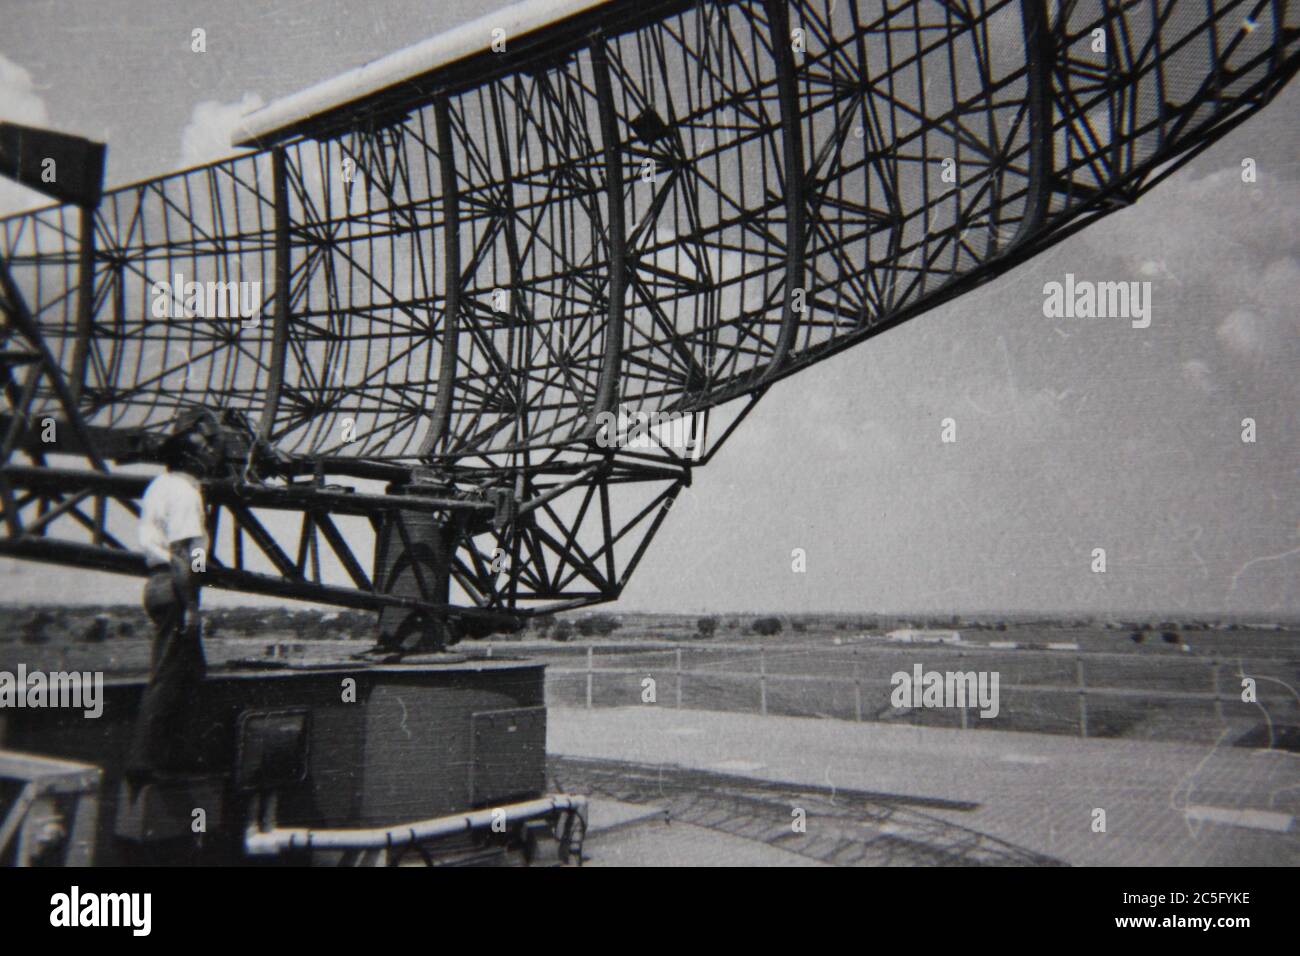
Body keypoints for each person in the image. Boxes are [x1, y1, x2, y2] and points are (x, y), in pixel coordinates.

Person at [126, 418, 215, 783]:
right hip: (175, 587)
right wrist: (192, 603)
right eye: (204, 448)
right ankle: (143, 761)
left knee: (191, 670)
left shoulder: (158, 486)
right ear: (190, 458)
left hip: (159, 585)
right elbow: (184, 551)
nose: (210, 453)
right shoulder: (185, 494)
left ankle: (177, 753)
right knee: (168, 673)